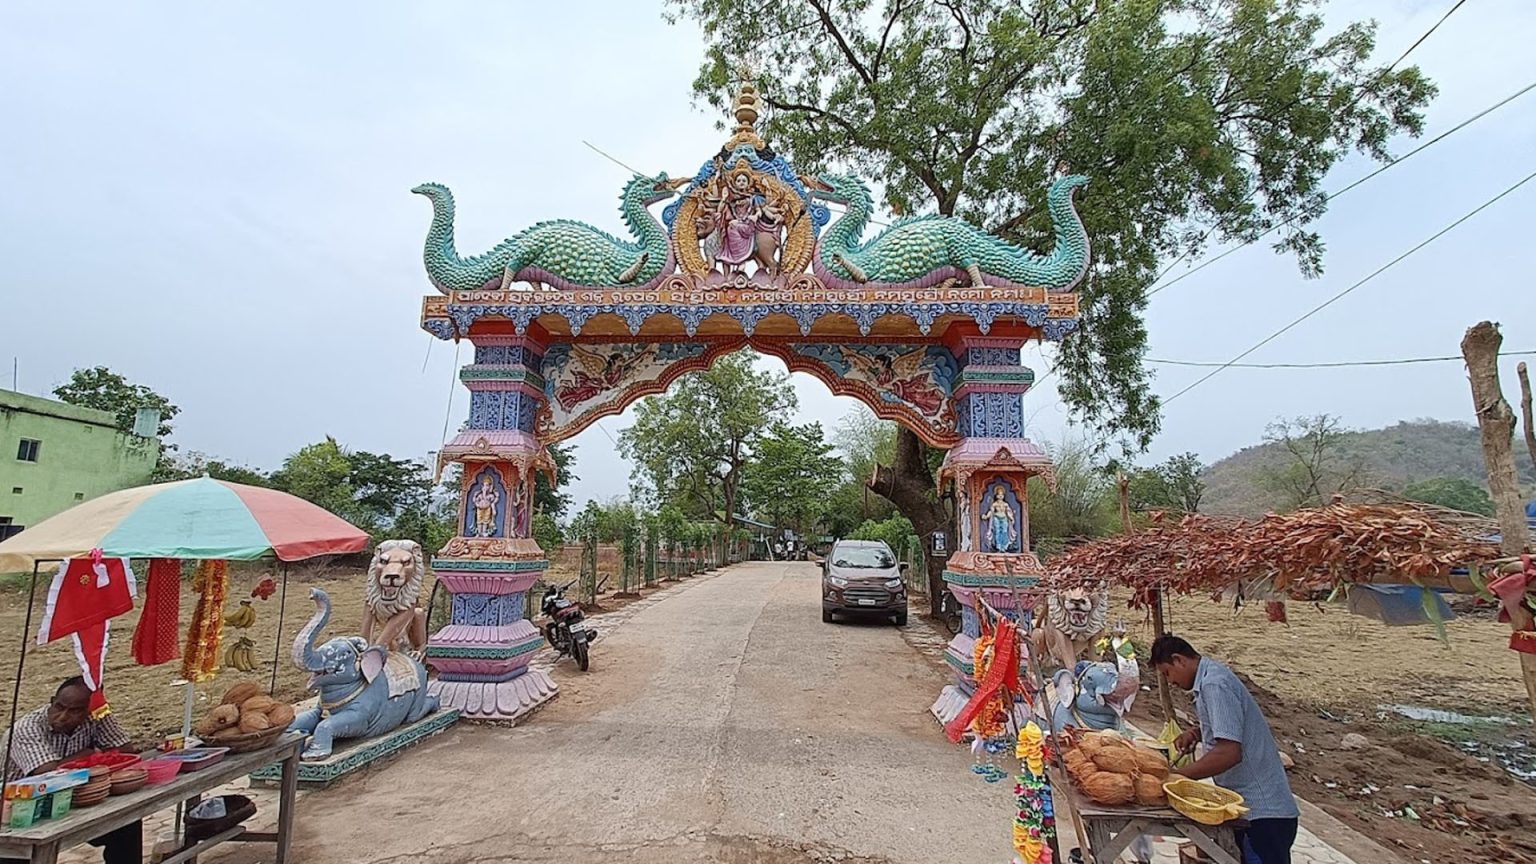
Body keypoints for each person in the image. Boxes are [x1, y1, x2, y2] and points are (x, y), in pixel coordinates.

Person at [1150, 636, 1299, 864]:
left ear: (1178, 660)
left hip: (1263, 814)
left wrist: (1177, 777)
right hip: (1247, 809)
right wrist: (1197, 733)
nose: (1171, 682)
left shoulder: (1214, 684)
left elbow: (1229, 753)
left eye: (1168, 673)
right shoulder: (1211, 677)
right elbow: (1229, 722)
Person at [2, 677, 141, 864]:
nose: (63, 716)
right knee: (25, 852)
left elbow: (125, 751)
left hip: (74, 798)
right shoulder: (27, 729)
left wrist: (89, 757)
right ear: (52, 702)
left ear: (89, 711)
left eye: (74, 711)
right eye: (59, 707)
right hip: (19, 809)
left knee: (127, 823)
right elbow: (50, 775)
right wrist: (90, 754)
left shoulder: (97, 717)